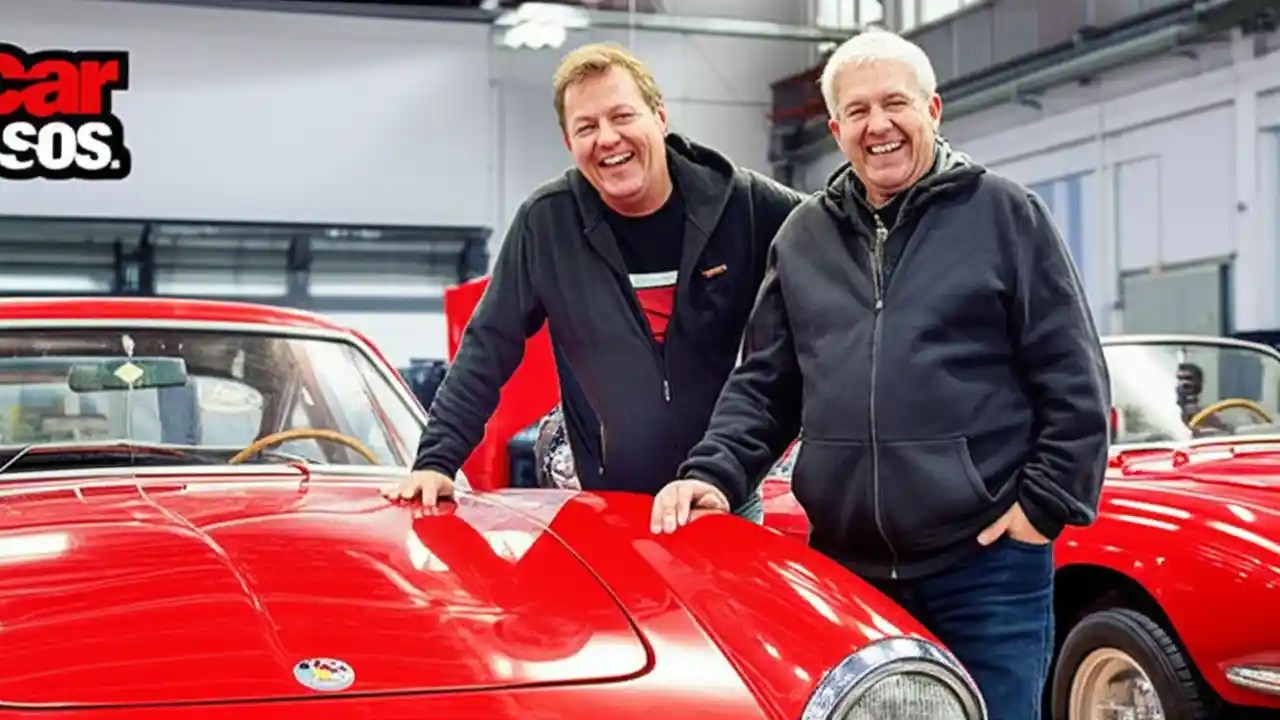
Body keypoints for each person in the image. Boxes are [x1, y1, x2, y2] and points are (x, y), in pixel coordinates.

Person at [649, 29, 1110, 719]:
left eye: (895, 103)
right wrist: (712, 472)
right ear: (836, 130)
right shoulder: (802, 237)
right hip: (849, 572)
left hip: (986, 568)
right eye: (857, 111)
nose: (878, 125)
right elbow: (765, 384)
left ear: (932, 109)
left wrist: (1044, 506)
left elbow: (1073, 375)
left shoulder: (1006, 215)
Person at [383, 42, 806, 515]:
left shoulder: (744, 205)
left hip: (721, 497)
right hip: (609, 505)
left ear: (660, 118)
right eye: (586, 127)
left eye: (622, 116)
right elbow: (488, 345)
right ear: (569, 143)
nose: (607, 138)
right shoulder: (547, 224)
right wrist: (436, 460)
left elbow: (833, 236)